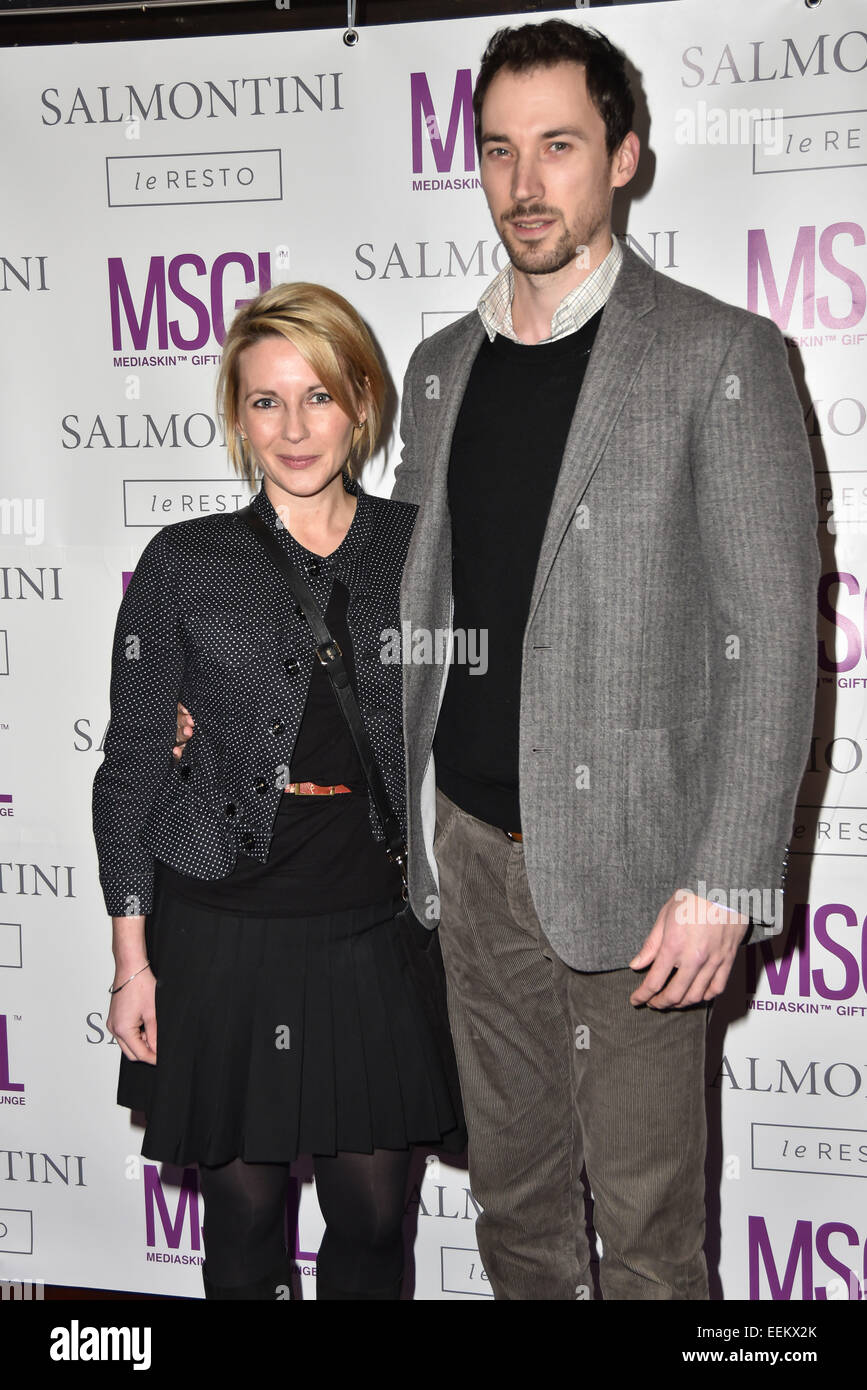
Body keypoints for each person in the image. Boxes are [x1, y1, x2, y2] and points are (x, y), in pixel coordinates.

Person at [391, 20, 819, 1300]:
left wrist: (727, 876)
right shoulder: (437, 370)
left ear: (623, 157)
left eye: (560, 147)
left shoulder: (717, 355)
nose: (525, 184)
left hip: (642, 877)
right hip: (470, 855)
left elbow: (770, 640)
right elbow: (413, 607)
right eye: (501, 152)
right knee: (515, 1215)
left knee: (646, 1240)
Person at [92, 281, 464, 1301]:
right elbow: (128, 765)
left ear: (360, 403)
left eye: (319, 396)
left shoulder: (417, 548)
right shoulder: (185, 562)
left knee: (376, 1217)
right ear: (237, 416)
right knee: (246, 1220)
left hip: (369, 923)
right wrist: (132, 961)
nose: (294, 428)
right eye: (266, 401)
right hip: (222, 928)